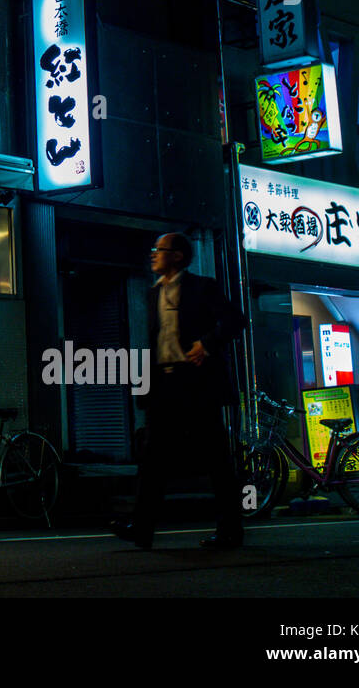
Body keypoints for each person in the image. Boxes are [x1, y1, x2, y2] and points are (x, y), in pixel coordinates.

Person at [110, 232, 245, 550]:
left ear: (179, 256)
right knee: (152, 458)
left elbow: (234, 320)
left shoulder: (203, 287)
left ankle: (230, 530)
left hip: (197, 384)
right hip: (166, 386)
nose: (153, 254)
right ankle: (141, 528)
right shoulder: (152, 293)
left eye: (160, 249)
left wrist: (207, 344)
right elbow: (157, 344)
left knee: (216, 460)